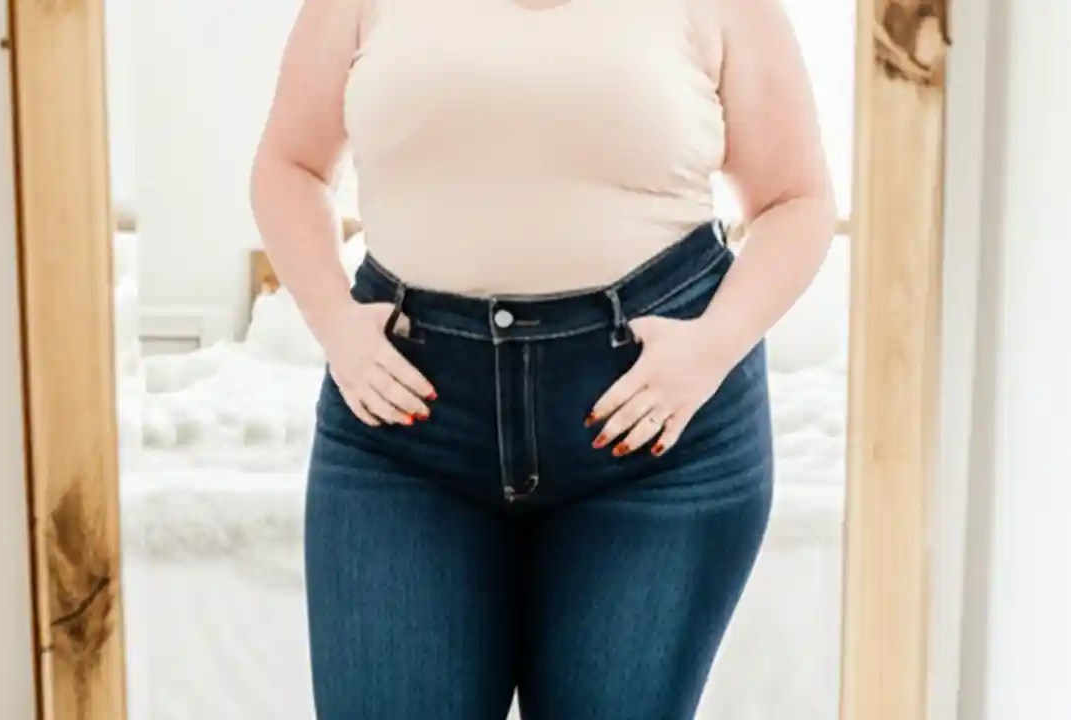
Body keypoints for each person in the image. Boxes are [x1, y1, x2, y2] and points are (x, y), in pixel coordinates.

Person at [251, 0, 833, 716]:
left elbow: (797, 199)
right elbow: (289, 165)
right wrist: (336, 325)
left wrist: (711, 349)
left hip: (655, 429)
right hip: (407, 429)